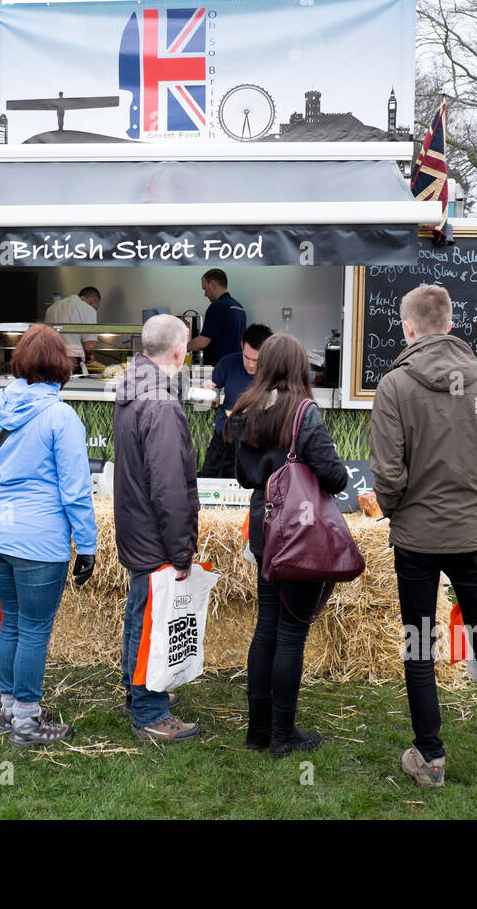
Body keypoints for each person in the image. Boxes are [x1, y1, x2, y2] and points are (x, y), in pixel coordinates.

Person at [368, 283, 477, 788]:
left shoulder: (395, 387)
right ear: (450, 323)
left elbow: (388, 475)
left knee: (419, 645)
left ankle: (430, 757)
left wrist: (400, 511)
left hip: (417, 539)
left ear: (409, 327)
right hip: (472, 538)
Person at [0, 324, 97, 747]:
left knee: (13, 622)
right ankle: (26, 720)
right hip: (39, 537)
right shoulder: (61, 416)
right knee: (36, 629)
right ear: (62, 364)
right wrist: (88, 545)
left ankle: (10, 709)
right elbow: (75, 490)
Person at [226, 333, 350, 757]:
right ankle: (282, 735)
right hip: (298, 535)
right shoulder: (303, 411)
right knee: (291, 634)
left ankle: (258, 732)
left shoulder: (245, 408)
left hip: (264, 533)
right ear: (299, 367)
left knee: (265, 630)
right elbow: (335, 477)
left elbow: (244, 476)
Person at [113, 313, 202, 743]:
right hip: (154, 533)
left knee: (139, 614)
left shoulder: (133, 387)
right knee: (153, 621)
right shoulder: (162, 403)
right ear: (180, 351)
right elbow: (169, 487)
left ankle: (138, 692)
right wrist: (181, 551)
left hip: (136, 527)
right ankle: (150, 710)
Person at [199, 323, 272, 478]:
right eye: (247, 357)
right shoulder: (228, 363)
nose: (251, 364)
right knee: (209, 483)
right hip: (224, 439)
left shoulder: (274, 371)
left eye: (256, 360)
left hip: (256, 444)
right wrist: (206, 391)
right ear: (241, 345)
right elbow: (205, 402)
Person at [187, 268, 246, 367]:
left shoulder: (217, 306)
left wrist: (180, 348)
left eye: (205, 289)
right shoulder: (240, 308)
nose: (205, 294)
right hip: (236, 366)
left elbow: (202, 342)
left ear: (213, 284)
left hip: (219, 367)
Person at [45, 286, 101, 373]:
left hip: (51, 360)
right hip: (73, 362)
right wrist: (89, 354)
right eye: (96, 307)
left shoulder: (52, 308)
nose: (95, 309)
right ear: (94, 302)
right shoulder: (89, 310)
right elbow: (90, 345)